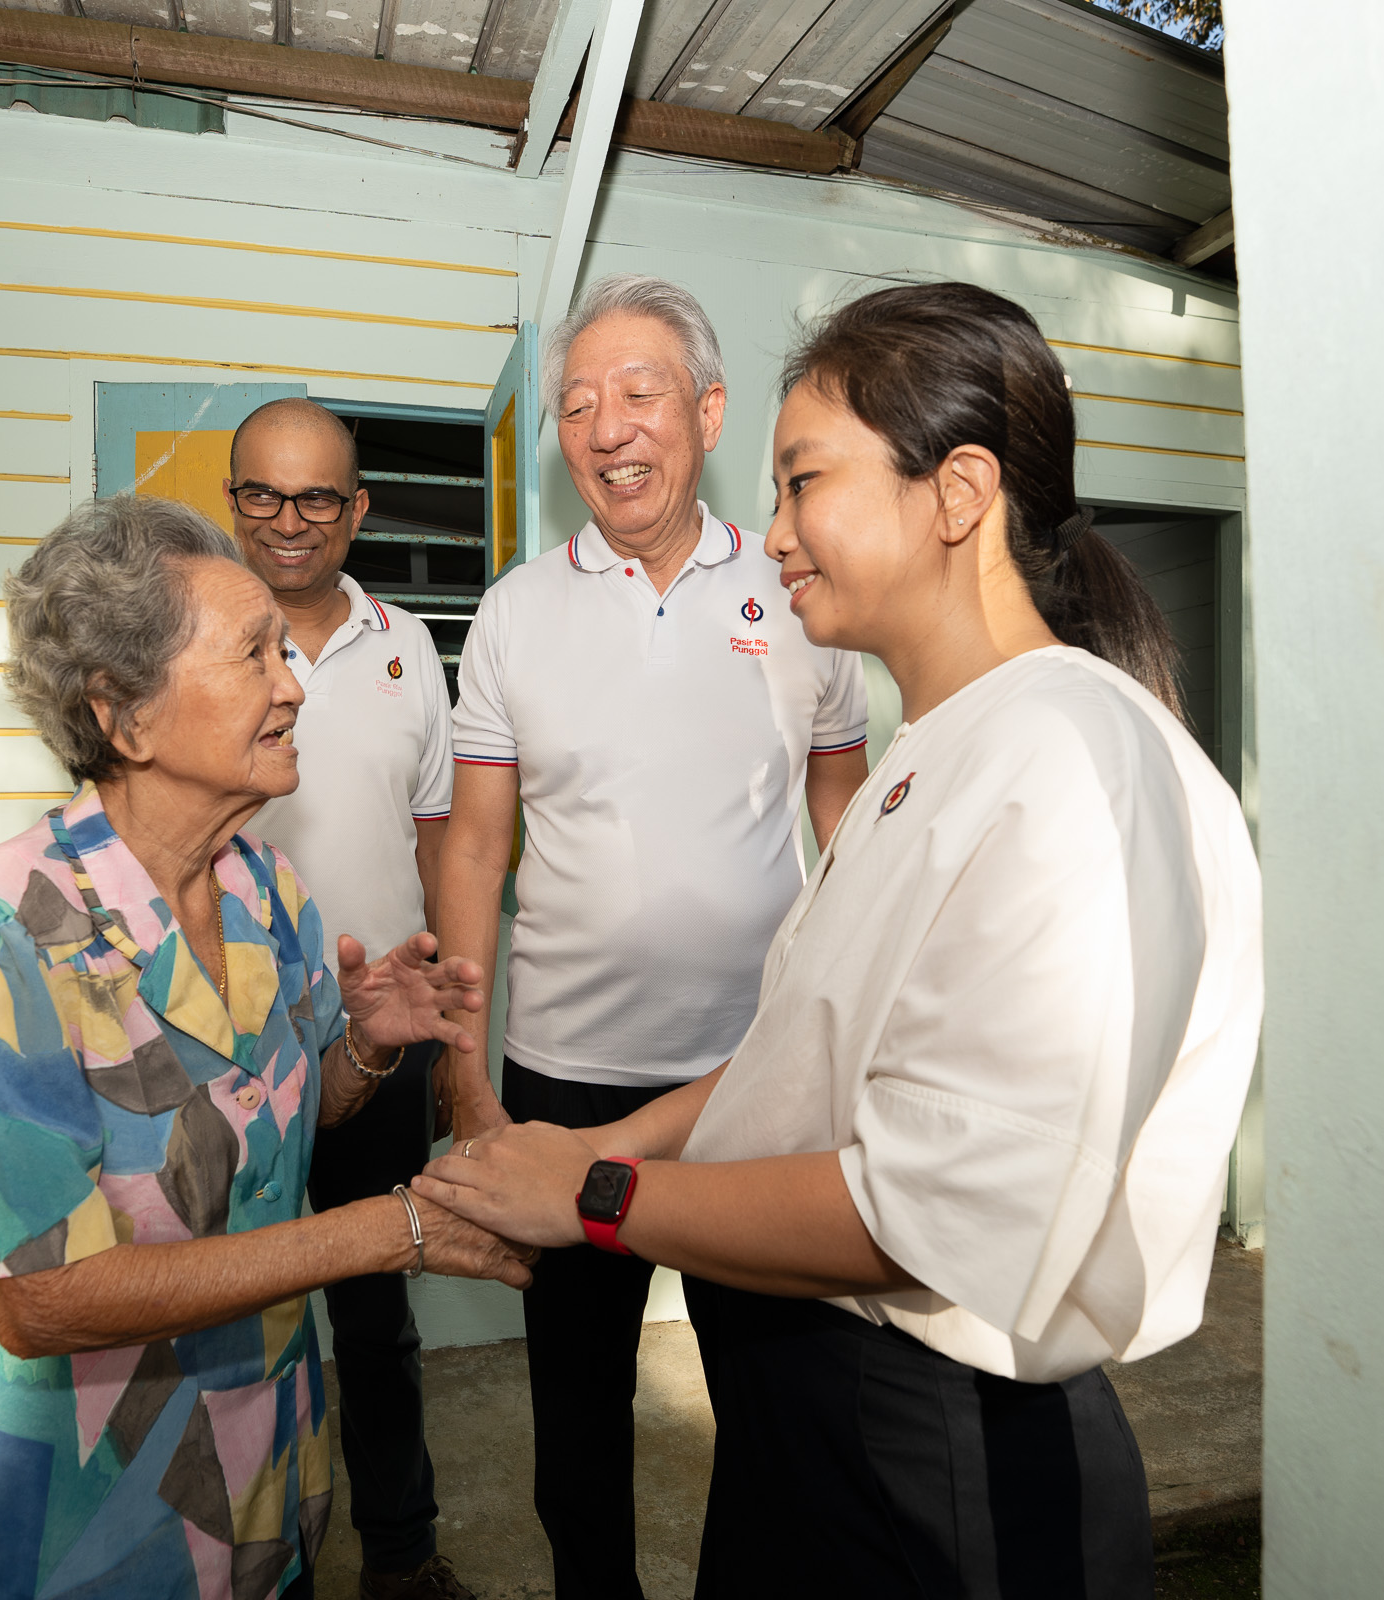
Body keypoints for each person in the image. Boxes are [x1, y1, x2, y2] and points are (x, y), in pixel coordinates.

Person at [417, 282, 1263, 1599]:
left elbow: (924, 1210)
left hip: (938, 1429)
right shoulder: (943, 752)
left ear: (958, 494)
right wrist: (585, 1142)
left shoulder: (1065, 763)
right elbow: (810, 1046)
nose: (780, 531)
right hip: (827, 1391)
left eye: (806, 482)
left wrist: (594, 1194)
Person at [0, 495, 534, 1600]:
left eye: (287, 648)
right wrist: (392, 1230)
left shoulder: (268, 892)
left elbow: (278, 1131)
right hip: (73, 1509)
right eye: (255, 654)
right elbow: (41, 1301)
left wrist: (365, 1048)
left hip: (260, 1457)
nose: (296, 682)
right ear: (125, 716)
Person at [433, 273, 871, 1597]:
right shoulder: (517, 612)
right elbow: (470, 843)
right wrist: (465, 1071)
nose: (607, 427)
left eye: (639, 392)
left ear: (708, 411)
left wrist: (854, 1014)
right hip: (563, 1080)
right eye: (578, 405)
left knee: (776, 1401)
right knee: (574, 1420)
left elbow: (841, 802)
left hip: (757, 1082)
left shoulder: (804, 595)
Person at [225, 398, 472, 1600]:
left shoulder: (406, 645)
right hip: (224, 1045)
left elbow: (440, 841)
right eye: (262, 496)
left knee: (375, 1315)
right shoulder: (198, 634)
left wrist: (452, 1027)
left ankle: (400, 1554)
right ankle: (234, 1560)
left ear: (356, 509)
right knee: (225, 1315)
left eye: (316, 497)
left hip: (375, 1039)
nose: (288, 522)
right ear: (232, 503)